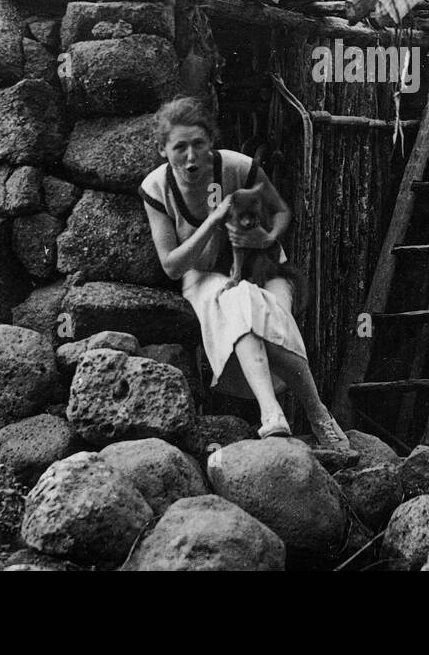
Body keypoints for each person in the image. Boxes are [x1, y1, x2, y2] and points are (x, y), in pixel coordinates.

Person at [139, 95, 352, 451]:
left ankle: (288, 415)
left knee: (250, 301)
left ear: (211, 143)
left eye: (198, 144)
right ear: (163, 149)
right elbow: (172, 266)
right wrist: (214, 218)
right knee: (239, 301)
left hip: (262, 267)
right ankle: (306, 414)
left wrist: (264, 236)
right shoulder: (157, 188)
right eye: (179, 148)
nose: (191, 157)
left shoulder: (237, 167)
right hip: (203, 275)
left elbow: (280, 211)